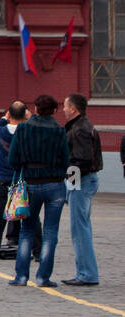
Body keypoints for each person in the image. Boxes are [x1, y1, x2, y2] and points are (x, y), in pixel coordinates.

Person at [7, 93, 70, 287]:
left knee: (27, 230)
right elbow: (66, 161)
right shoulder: (59, 131)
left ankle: (21, 277)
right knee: (51, 233)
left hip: (30, 184)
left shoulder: (23, 129)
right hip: (55, 185)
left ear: (35, 108)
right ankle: (43, 277)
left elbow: (12, 160)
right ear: (54, 110)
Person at [0, 100, 38, 260]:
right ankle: (38, 250)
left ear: (9, 114)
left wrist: (3, 118)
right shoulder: (29, 130)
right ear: (25, 114)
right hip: (24, 177)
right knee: (31, 214)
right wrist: (30, 116)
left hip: (5, 178)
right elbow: (38, 127)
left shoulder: (0, 132)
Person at [61, 92, 100, 287]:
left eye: (66, 106)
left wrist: (69, 181)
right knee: (82, 227)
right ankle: (86, 272)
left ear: (73, 109)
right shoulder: (83, 126)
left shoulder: (79, 130)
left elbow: (81, 161)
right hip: (83, 179)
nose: (64, 109)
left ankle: (86, 274)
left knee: (80, 229)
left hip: (81, 180)